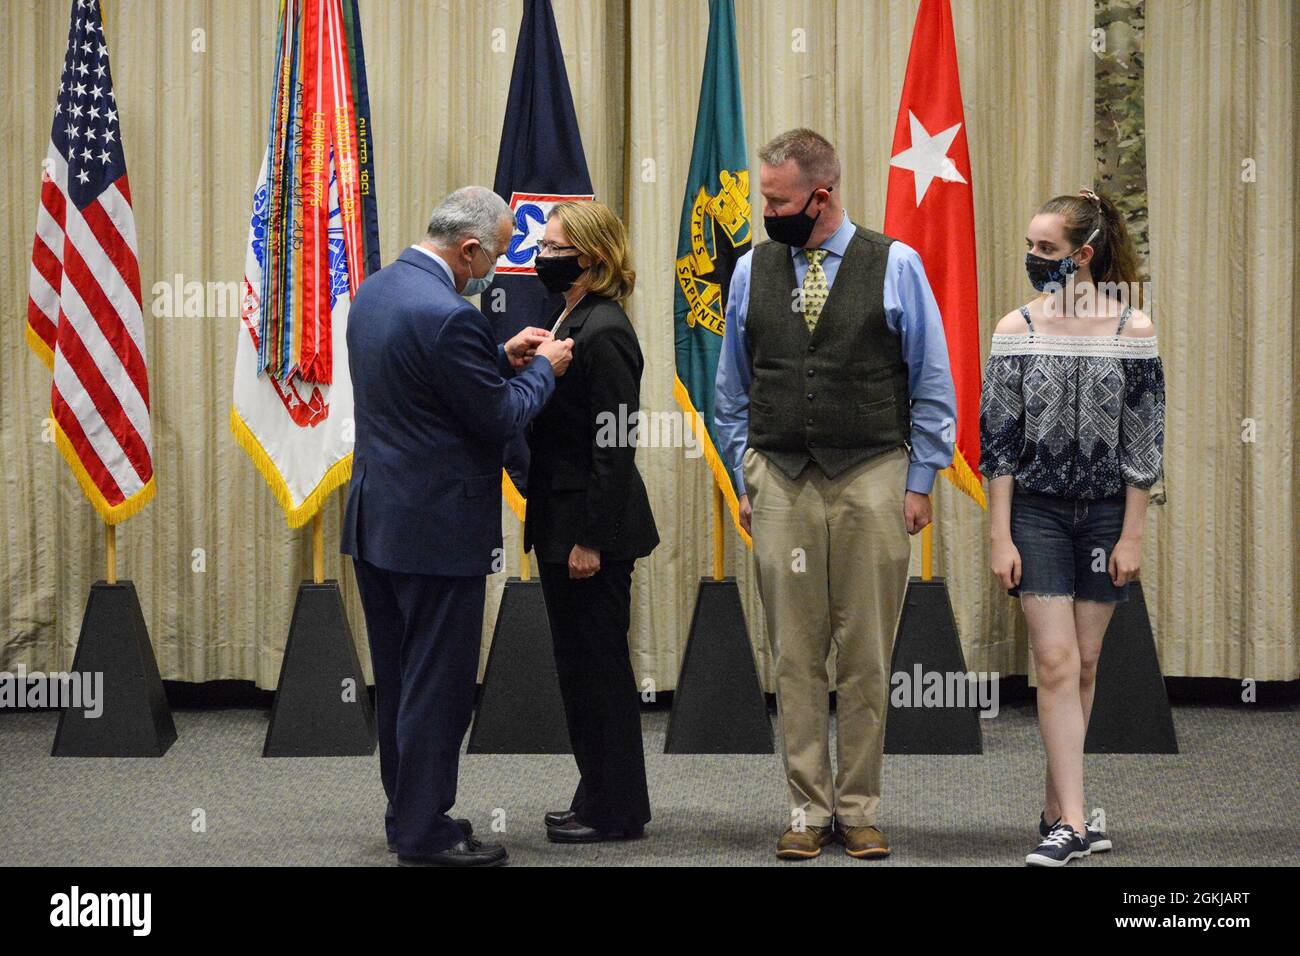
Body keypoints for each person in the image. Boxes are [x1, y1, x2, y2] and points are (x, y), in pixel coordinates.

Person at [715, 129, 957, 860]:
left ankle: (857, 808)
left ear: (822, 194)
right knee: (793, 653)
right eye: (767, 197)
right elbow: (732, 390)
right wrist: (746, 473)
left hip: (873, 476)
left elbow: (932, 383)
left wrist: (919, 484)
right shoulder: (752, 271)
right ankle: (805, 811)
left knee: (865, 651)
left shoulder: (897, 264)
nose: (767, 210)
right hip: (781, 479)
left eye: (779, 199)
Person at [341, 186, 573, 867]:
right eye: (498, 254)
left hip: (377, 522)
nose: (498, 268)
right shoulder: (450, 316)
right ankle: (426, 833)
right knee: (438, 693)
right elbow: (498, 418)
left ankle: (405, 814)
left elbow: (424, 389)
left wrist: (499, 359)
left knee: (401, 686)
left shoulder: (378, 291)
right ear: (468, 249)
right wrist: (546, 372)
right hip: (437, 535)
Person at [979, 188, 1165, 867]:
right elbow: (996, 443)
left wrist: (1132, 535)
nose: (1033, 257)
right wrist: (1000, 535)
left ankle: (1059, 809)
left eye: (1046, 249)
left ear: (1083, 255)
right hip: (1036, 513)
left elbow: (1144, 445)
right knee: (1053, 662)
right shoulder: (1016, 328)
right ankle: (1077, 825)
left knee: (1083, 666)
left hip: (1107, 516)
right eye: (1030, 245)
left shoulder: (1131, 331)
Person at [524, 201, 660, 843]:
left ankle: (616, 810)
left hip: (588, 530)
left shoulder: (604, 330)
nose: (541, 254)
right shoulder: (571, 315)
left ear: (594, 258)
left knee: (598, 670)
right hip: (562, 519)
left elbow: (616, 443)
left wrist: (590, 539)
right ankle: (596, 791)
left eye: (554, 246)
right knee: (579, 668)